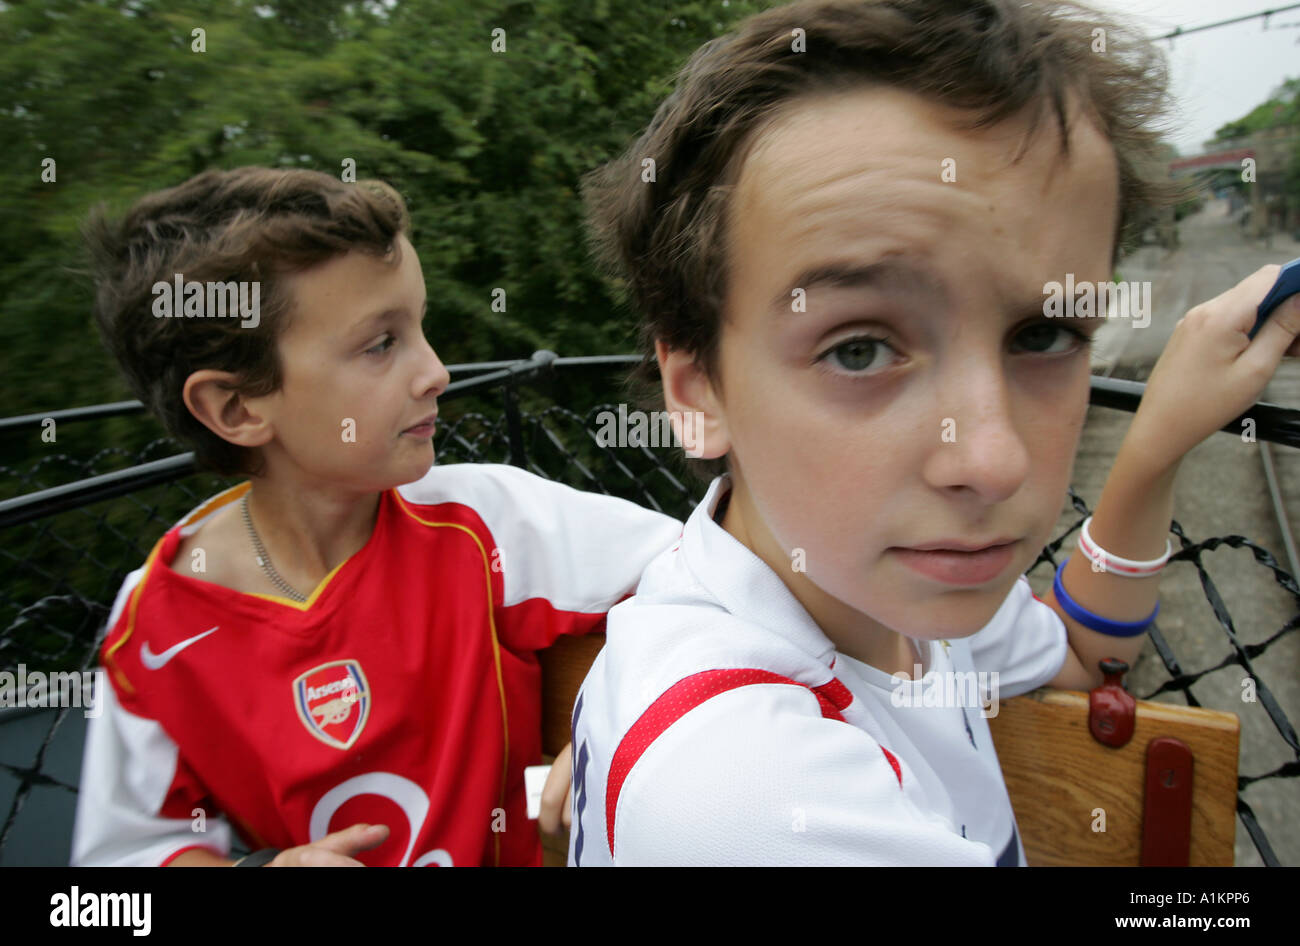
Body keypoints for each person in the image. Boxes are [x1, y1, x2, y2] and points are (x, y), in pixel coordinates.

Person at [568, 0, 1300, 865]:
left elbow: (1083, 654)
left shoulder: (870, 587)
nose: (992, 462)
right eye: (861, 348)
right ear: (696, 391)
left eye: (1044, 336)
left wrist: (1156, 446)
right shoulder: (744, 796)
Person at [70, 167, 682, 866]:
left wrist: (619, 721)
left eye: (418, 327)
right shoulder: (154, 629)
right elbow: (112, 879)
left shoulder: (491, 522)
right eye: (381, 344)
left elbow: (712, 575)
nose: (436, 372)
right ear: (236, 409)